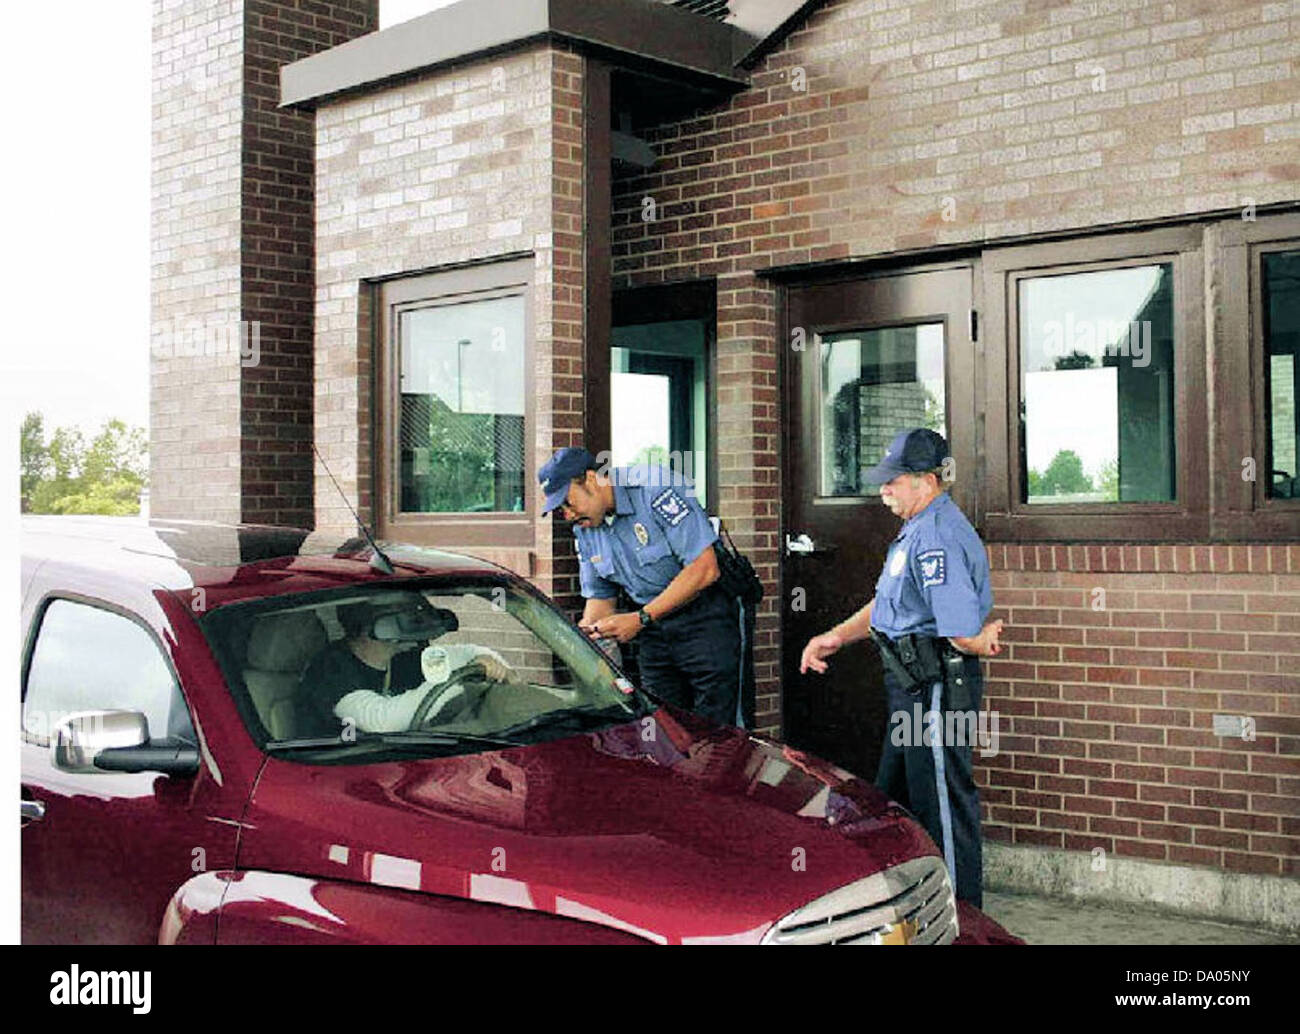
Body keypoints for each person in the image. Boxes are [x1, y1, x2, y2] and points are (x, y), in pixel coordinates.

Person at [799, 428, 1003, 907]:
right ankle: (898, 908)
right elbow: (889, 604)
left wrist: (977, 640)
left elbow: (956, 628)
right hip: (913, 685)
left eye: (893, 480)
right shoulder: (917, 529)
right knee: (891, 798)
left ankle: (962, 921)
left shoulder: (935, 536)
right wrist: (836, 636)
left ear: (927, 481)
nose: (884, 489)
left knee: (943, 808)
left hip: (934, 687)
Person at [538, 446, 745, 726]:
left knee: (715, 733)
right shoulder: (586, 528)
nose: (566, 514)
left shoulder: (655, 489)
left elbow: (705, 568)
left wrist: (642, 617)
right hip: (652, 632)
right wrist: (585, 643)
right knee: (666, 729)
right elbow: (600, 599)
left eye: (567, 502)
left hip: (704, 620)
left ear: (590, 479)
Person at [297, 599, 513, 738]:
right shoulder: (331, 669)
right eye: (404, 615)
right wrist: (457, 680)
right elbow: (383, 721)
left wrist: (485, 660)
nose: (415, 625)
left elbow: (468, 653)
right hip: (345, 773)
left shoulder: (404, 654)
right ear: (371, 625)